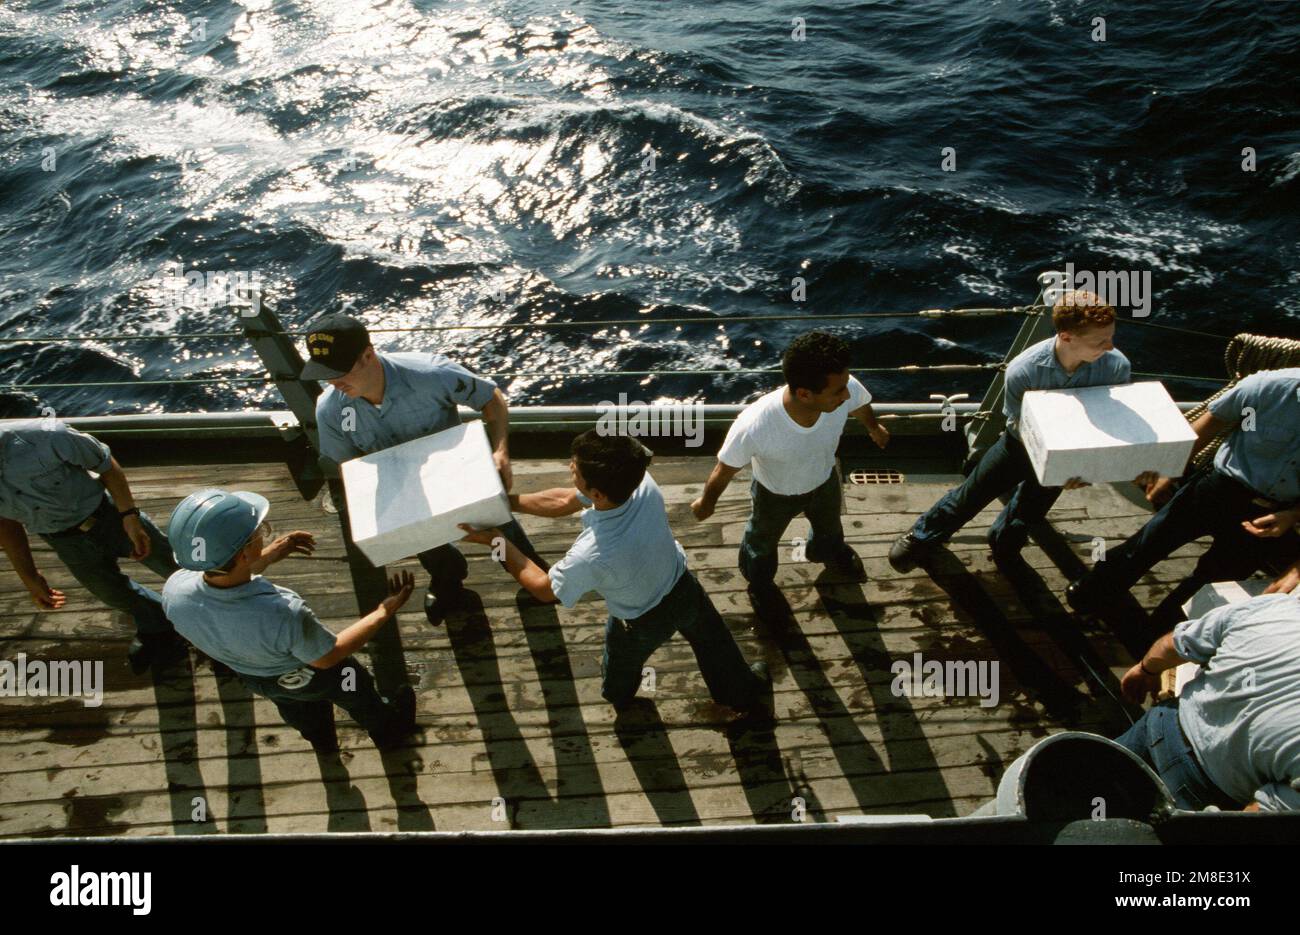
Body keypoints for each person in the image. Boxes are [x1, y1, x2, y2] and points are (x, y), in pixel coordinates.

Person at [458, 431, 769, 711]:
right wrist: (503, 503)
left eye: (574, 468)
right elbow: (565, 500)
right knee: (716, 645)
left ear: (597, 495)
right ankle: (740, 692)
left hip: (639, 619)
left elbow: (542, 589)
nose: (570, 467)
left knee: (622, 668)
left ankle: (620, 697)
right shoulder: (639, 481)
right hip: (684, 587)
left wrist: (496, 540)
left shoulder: (591, 555)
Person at [301, 312, 547, 622]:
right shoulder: (330, 411)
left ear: (368, 354)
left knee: (501, 528)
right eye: (325, 373)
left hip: (457, 470)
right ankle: (449, 579)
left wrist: (500, 452)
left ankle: (531, 568)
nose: (334, 382)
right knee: (427, 545)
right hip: (400, 488)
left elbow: (490, 398)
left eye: (341, 371)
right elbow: (348, 466)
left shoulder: (430, 374)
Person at [889, 290, 1149, 573]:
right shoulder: (1023, 370)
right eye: (1100, 341)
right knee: (972, 494)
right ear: (1066, 337)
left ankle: (1004, 543)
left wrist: (1080, 466)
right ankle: (923, 535)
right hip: (1020, 445)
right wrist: (1048, 456)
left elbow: (1107, 420)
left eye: (1111, 337)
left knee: (1031, 509)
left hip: (1069, 453)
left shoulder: (1116, 367)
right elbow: (1016, 421)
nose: (1110, 347)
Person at [162, 488, 417, 752]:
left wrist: (268, 554)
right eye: (258, 534)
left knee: (298, 709)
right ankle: (387, 731)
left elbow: (224, 576)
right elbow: (328, 656)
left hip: (258, 678)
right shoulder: (283, 612)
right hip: (319, 675)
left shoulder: (174, 592)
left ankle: (322, 741)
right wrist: (384, 611)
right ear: (244, 554)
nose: (262, 534)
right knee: (357, 692)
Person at [1066, 367, 1300, 617]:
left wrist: (1294, 515)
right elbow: (1212, 422)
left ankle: (1165, 628)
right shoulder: (1267, 386)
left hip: (1272, 516)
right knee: (1146, 546)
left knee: (1217, 578)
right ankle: (1092, 592)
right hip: (1218, 489)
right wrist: (1170, 470)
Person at [690, 331, 889, 618]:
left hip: (824, 481)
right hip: (775, 494)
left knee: (830, 528)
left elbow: (858, 403)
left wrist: (874, 427)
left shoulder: (845, 388)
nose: (846, 394)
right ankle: (759, 581)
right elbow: (724, 470)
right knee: (761, 542)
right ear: (805, 394)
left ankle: (827, 551)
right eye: (838, 391)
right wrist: (706, 503)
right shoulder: (755, 425)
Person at [0, 417, 184, 673]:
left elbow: (106, 464)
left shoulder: (46, 435)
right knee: (111, 592)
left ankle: (220, 615)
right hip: (63, 541)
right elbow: (5, 525)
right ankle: (158, 624)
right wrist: (30, 577)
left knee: (178, 568)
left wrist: (129, 517)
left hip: (110, 517)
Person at [1116, 592, 1300, 812]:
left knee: (1092, 775)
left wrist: (1145, 670)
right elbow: (1262, 817)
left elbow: (1173, 645)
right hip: (1203, 792)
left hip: (1164, 728)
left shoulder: (1274, 607)